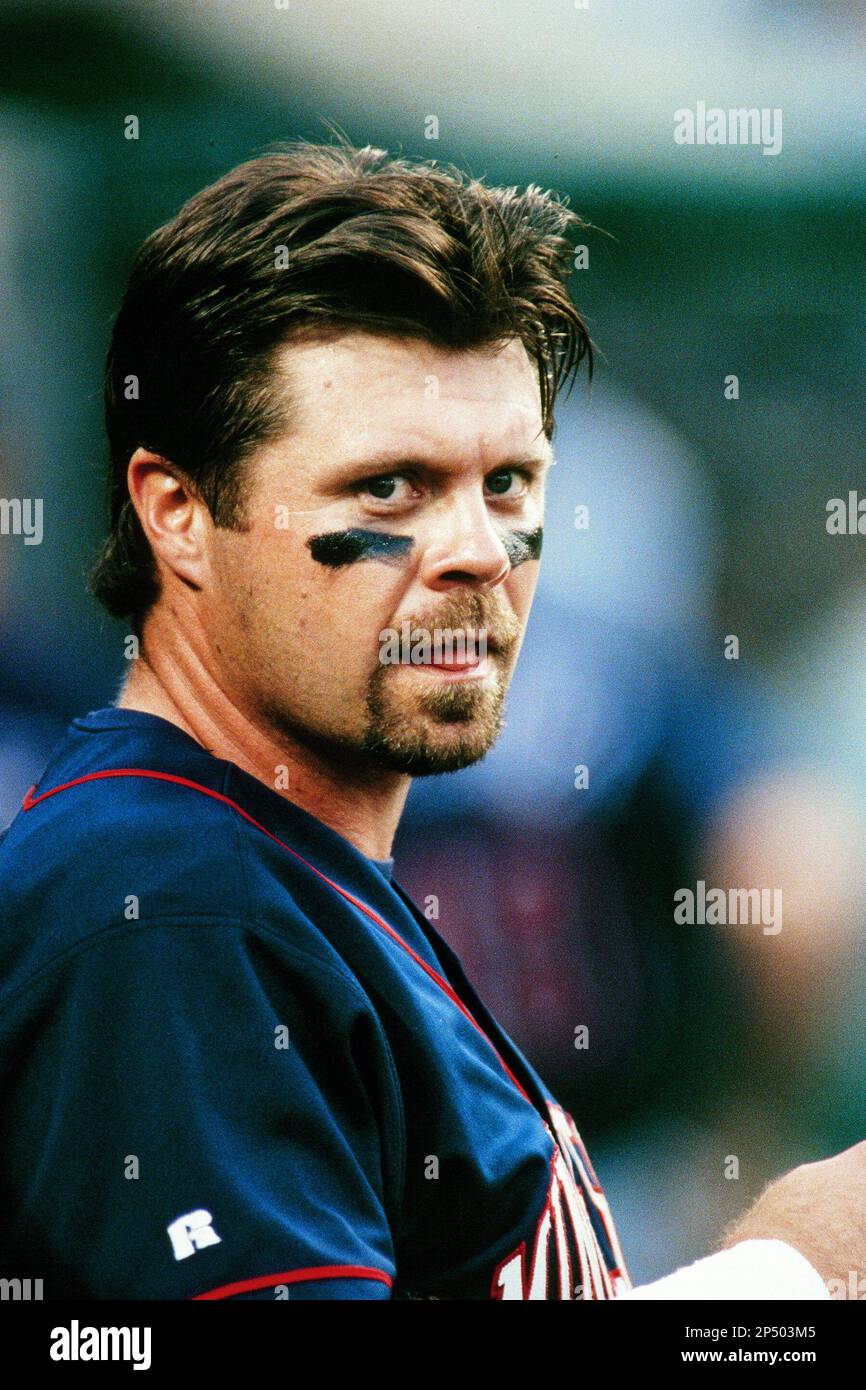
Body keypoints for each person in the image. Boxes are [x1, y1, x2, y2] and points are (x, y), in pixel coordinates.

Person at [0, 139, 858, 1299]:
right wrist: (795, 1276)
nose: (475, 551)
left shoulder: (280, 867)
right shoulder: (163, 899)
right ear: (179, 515)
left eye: (507, 482)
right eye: (388, 486)